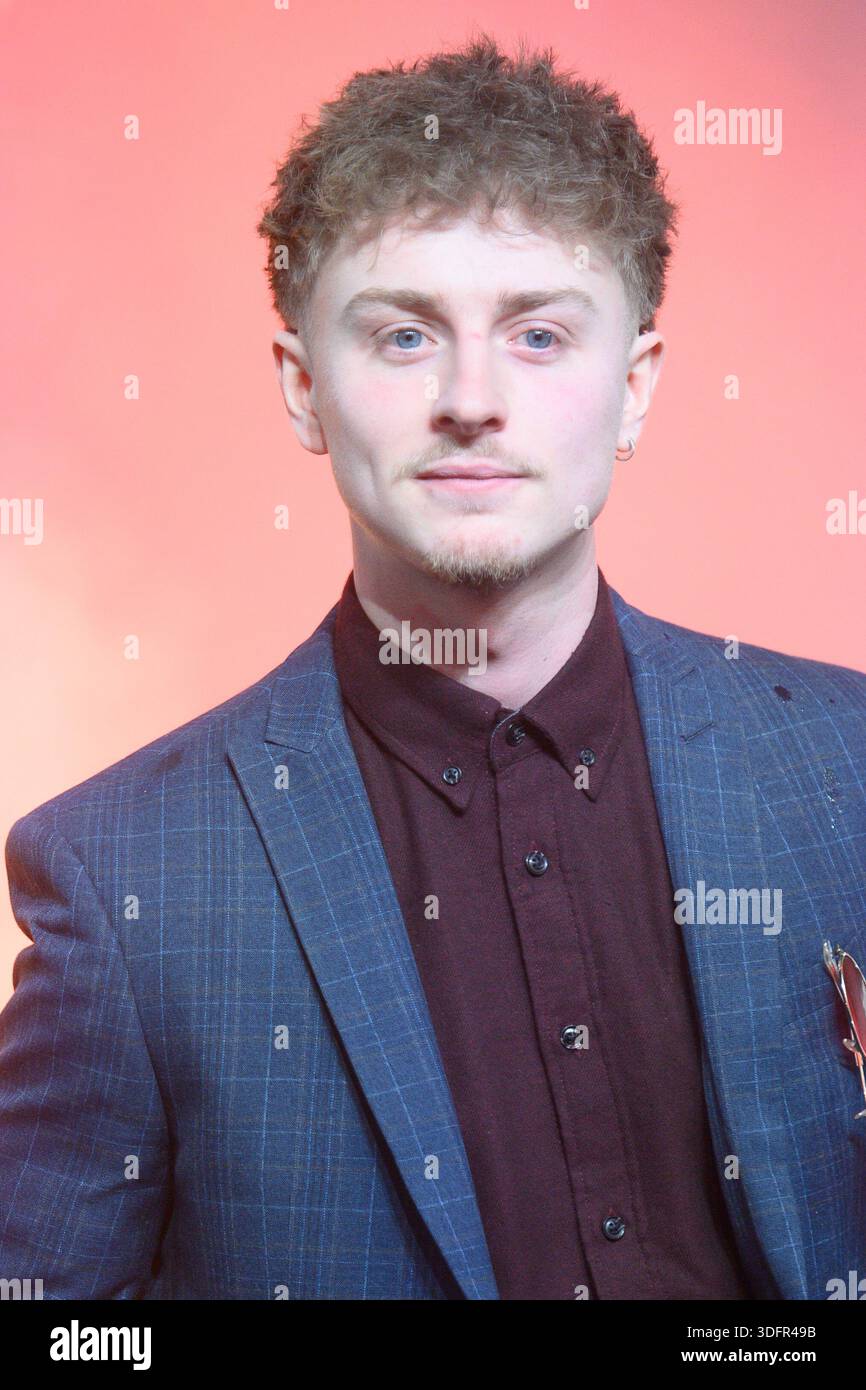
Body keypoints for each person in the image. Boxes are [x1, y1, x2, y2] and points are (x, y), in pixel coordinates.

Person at [1, 33, 864, 1302]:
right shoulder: (123, 873)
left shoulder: (845, 764)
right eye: (403, 337)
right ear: (303, 388)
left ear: (633, 391)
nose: (471, 397)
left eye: (536, 336)